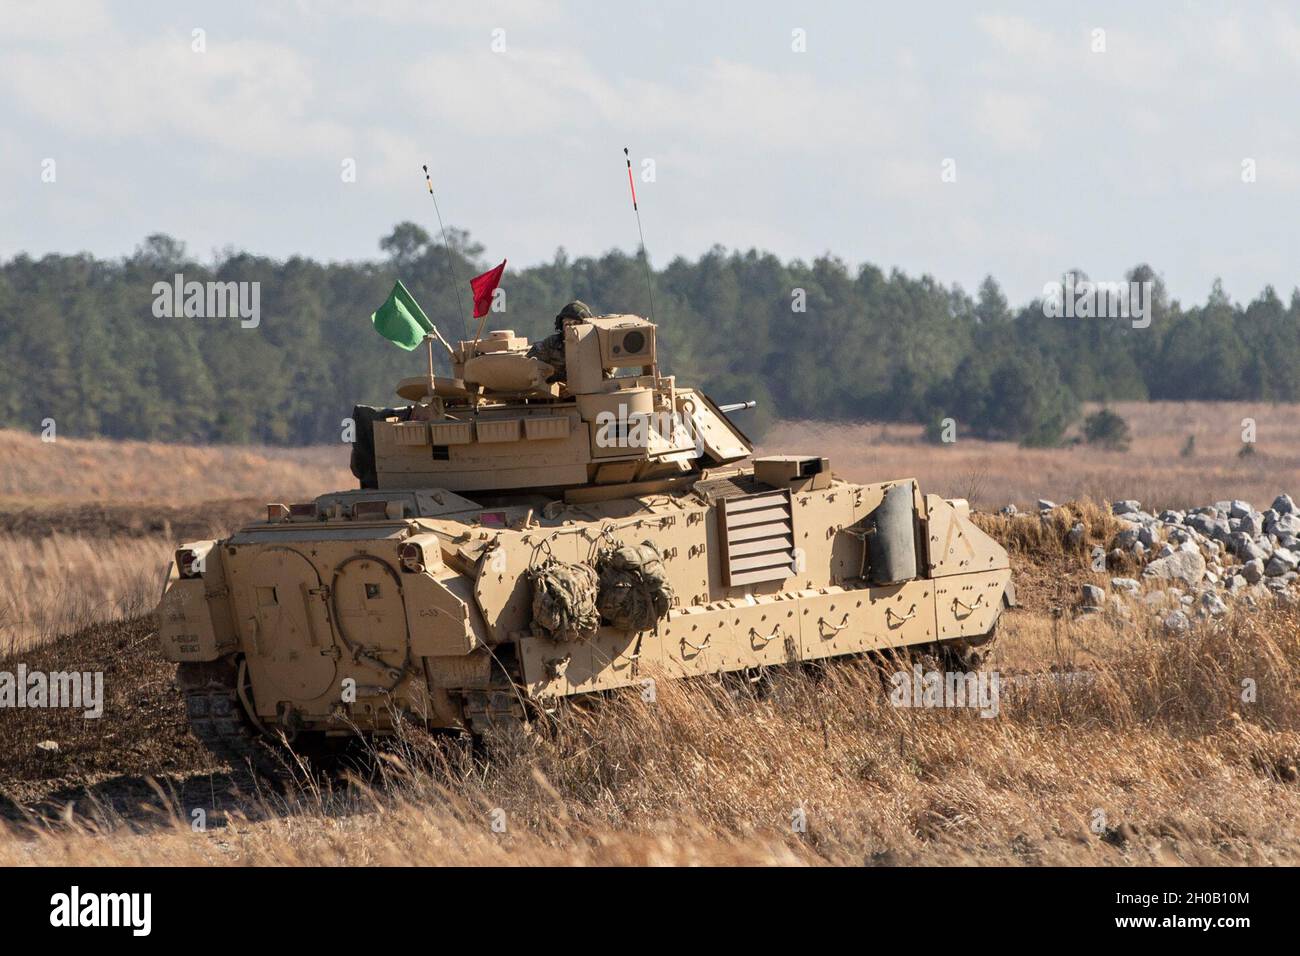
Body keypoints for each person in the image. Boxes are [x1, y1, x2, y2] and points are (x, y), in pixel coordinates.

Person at [528, 300, 593, 382]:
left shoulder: (594, 345)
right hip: (559, 392)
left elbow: (608, 370)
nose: (571, 328)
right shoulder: (551, 344)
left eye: (576, 323)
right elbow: (528, 367)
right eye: (567, 324)